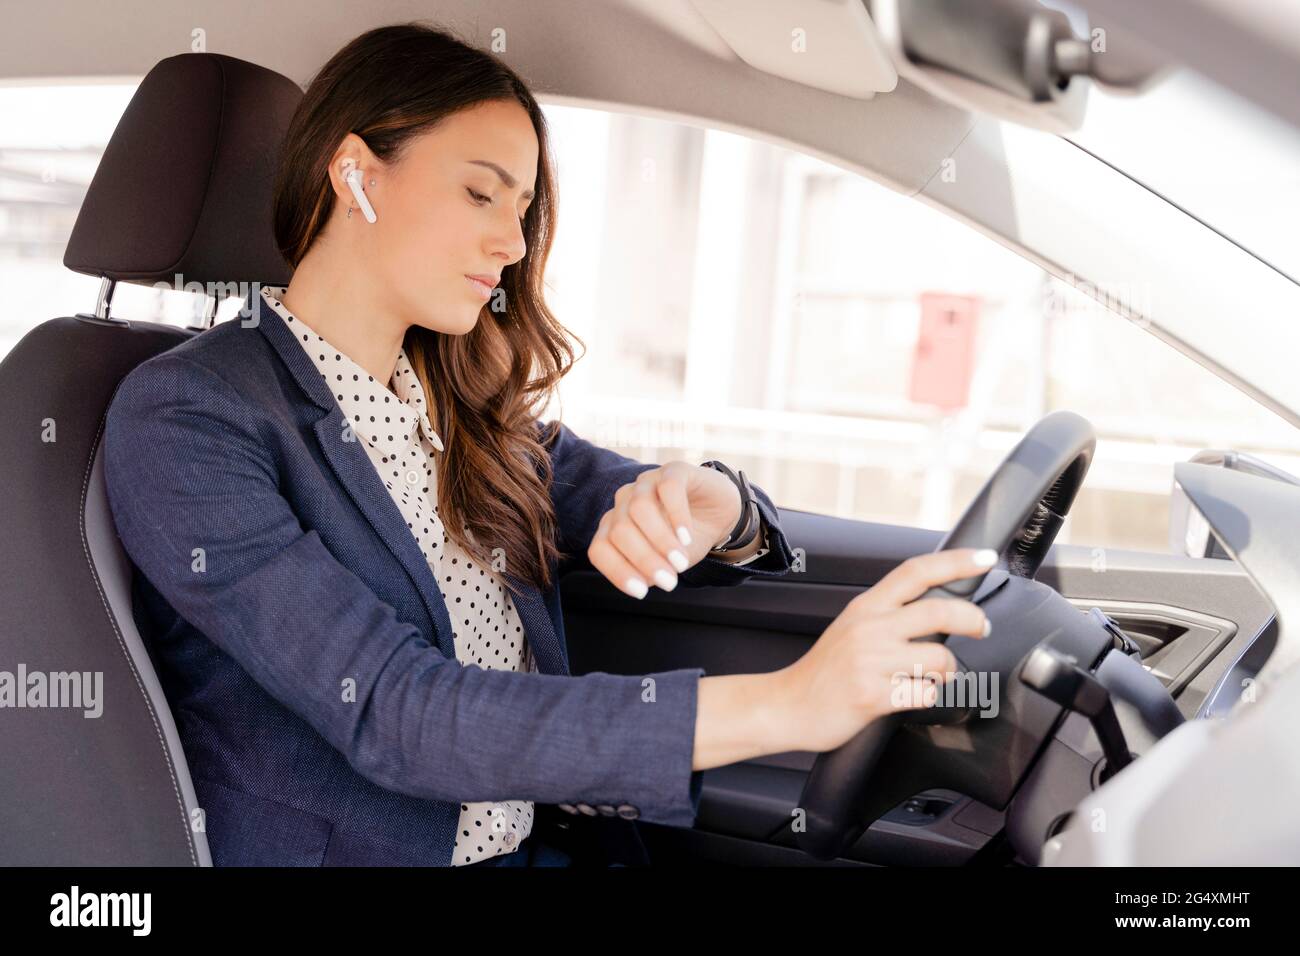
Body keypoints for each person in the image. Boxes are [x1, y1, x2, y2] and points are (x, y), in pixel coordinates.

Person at [102, 21, 990, 867]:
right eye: (480, 192)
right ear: (354, 173)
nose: (514, 240)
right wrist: (789, 704)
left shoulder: (459, 400)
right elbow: (396, 711)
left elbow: (639, 496)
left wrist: (713, 503)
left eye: (524, 207)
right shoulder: (189, 417)